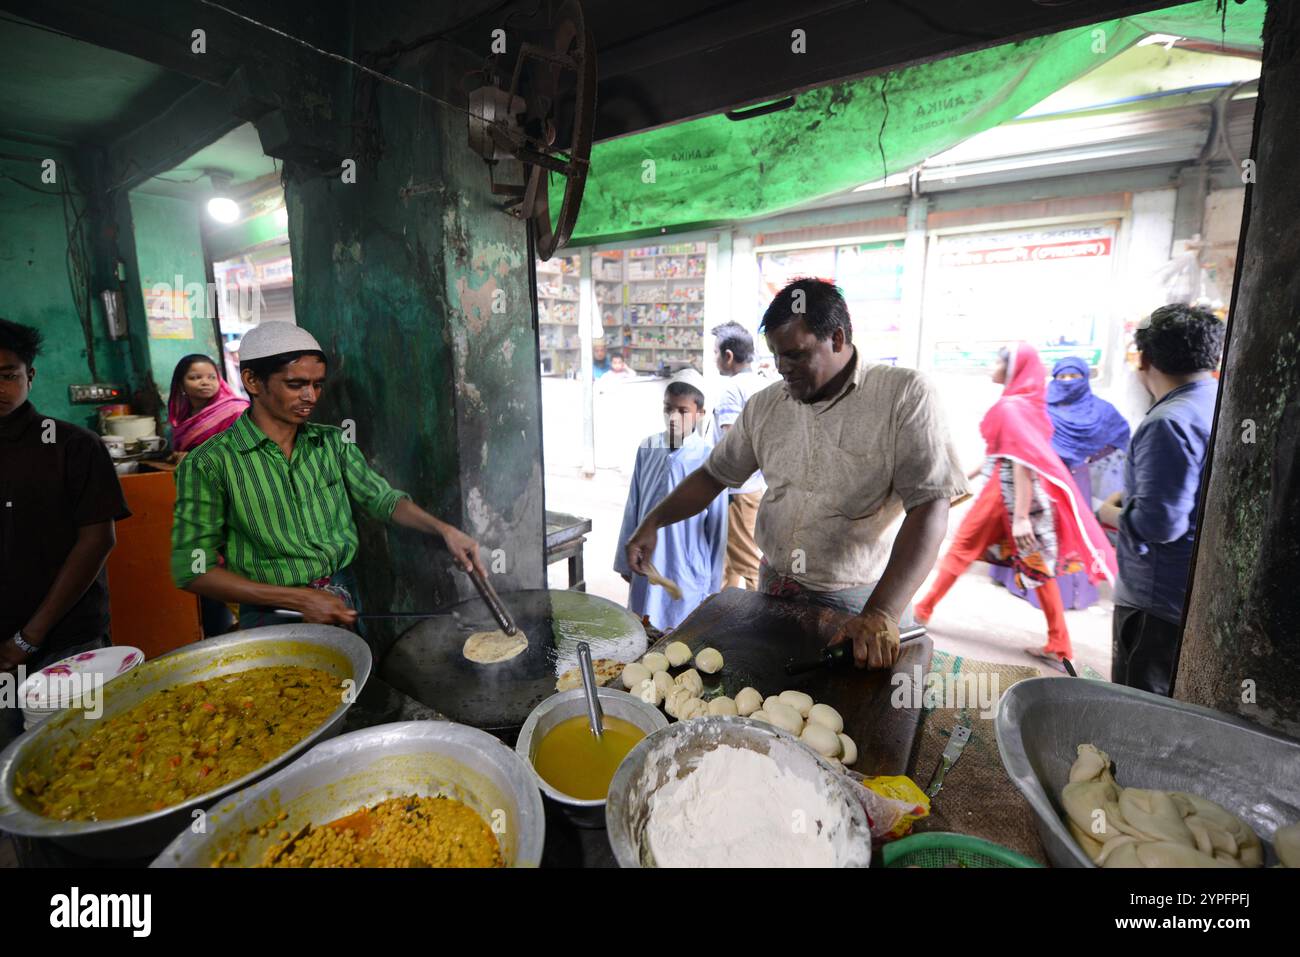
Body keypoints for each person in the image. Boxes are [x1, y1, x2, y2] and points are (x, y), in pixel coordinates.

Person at [625, 279, 970, 670]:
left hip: (856, 601)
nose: (783, 369)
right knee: (770, 691)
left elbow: (930, 508)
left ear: (837, 339)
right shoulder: (766, 406)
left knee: (849, 714)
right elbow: (712, 476)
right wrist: (653, 521)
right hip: (774, 588)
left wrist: (882, 613)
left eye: (796, 355)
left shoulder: (904, 396)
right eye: (775, 356)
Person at [170, 322, 486, 634]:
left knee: (353, 682)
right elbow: (194, 570)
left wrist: (444, 530)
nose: (311, 396)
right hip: (271, 612)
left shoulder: (333, 444)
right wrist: (299, 598)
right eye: (296, 384)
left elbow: (382, 500)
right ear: (252, 380)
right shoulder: (209, 463)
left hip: (340, 597)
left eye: (317, 384)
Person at [914, 343, 1117, 669]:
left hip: (1007, 496)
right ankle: (1060, 643)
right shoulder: (1025, 404)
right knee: (1034, 565)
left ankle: (922, 610)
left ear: (1013, 369)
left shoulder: (1010, 408)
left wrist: (1021, 517)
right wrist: (963, 478)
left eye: (998, 360)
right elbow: (1002, 454)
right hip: (1014, 493)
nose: (993, 364)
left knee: (962, 548)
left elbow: (1022, 463)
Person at [0, 319, 129, 733]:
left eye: (7, 376)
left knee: (79, 749)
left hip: (66, 638)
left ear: (30, 376)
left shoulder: (72, 446)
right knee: (11, 764)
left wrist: (28, 638)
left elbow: (97, 540)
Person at [1096, 304, 1224, 696]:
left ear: (1145, 359)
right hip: (1195, 592)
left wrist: (1106, 511)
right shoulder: (1217, 401)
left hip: (1156, 603)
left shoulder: (1169, 421)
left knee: (1140, 711)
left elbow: (1160, 524)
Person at [991, 356, 1129, 609]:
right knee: (1037, 533)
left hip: (1076, 479)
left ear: (1085, 378)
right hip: (1041, 478)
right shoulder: (1039, 406)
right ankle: (1030, 588)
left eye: (1073, 377)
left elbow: (1120, 434)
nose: (1067, 382)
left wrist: (1089, 456)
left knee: (1071, 535)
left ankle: (1070, 596)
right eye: (1061, 377)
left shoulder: (1101, 410)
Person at [614, 369, 727, 630]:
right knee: (644, 630)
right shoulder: (648, 447)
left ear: (699, 413)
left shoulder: (710, 457)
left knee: (680, 635)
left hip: (686, 565)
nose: (673, 417)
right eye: (668, 409)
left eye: (683, 411)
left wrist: (713, 585)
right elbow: (634, 504)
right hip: (648, 559)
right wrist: (624, 560)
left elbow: (718, 528)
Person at [711, 321, 771, 590]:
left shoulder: (732, 390)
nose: (714, 358)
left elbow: (734, 445)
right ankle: (725, 613)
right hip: (752, 486)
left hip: (737, 490)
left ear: (728, 356)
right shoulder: (762, 385)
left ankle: (761, 620)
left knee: (746, 562)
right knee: (729, 560)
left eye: (715, 352)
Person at [168, 354, 249, 453]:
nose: (205, 382)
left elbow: (246, 449)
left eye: (212, 377)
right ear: (181, 384)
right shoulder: (182, 416)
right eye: (195, 377)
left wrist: (194, 458)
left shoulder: (236, 411)